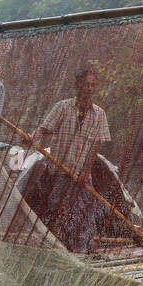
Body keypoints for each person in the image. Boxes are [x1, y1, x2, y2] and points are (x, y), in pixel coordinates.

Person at [20, 67, 112, 251]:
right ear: (77, 85)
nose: (89, 88)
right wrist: (33, 137)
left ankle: (80, 251)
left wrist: (86, 171)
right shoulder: (62, 107)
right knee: (56, 210)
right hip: (59, 172)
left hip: (81, 176)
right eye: (86, 84)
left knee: (85, 212)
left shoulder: (99, 114)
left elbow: (95, 145)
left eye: (93, 85)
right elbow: (45, 129)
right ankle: (55, 248)